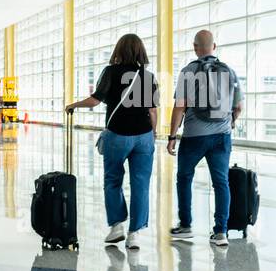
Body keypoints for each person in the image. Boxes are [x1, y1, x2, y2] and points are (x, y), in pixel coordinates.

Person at [65, 33, 159, 249]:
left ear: (119, 50)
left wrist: (73, 105)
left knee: (113, 180)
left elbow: (95, 100)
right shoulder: (149, 76)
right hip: (143, 136)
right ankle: (135, 233)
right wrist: (152, 136)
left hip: (118, 134)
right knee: (141, 184)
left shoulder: (110, 72)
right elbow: (153, 111)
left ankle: (117, 226)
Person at [167, 29, 242, 247]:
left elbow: (179, 106)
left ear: (195, 47)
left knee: (184, 177)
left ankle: (186, 225)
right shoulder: (229, 71)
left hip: (194, 137)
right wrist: (231, 122)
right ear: (214, 47)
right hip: (221, 136)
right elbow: (238, 107)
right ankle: (221, 233)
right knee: (221, 182)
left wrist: (172, 136)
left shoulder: (189, 71)